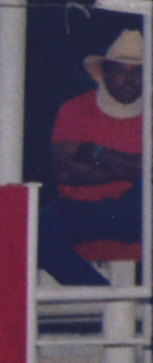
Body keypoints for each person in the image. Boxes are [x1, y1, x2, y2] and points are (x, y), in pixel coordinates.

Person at [37, 28, 143, 287]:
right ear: (105, 71)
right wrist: (134, 168)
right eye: (122, 70)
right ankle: (103, 297)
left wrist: (95, 152)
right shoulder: (75, 109)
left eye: (139, 71)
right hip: (83, 210)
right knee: (35, 230)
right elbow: (65, 171)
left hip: (137, 210)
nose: (131, 80)